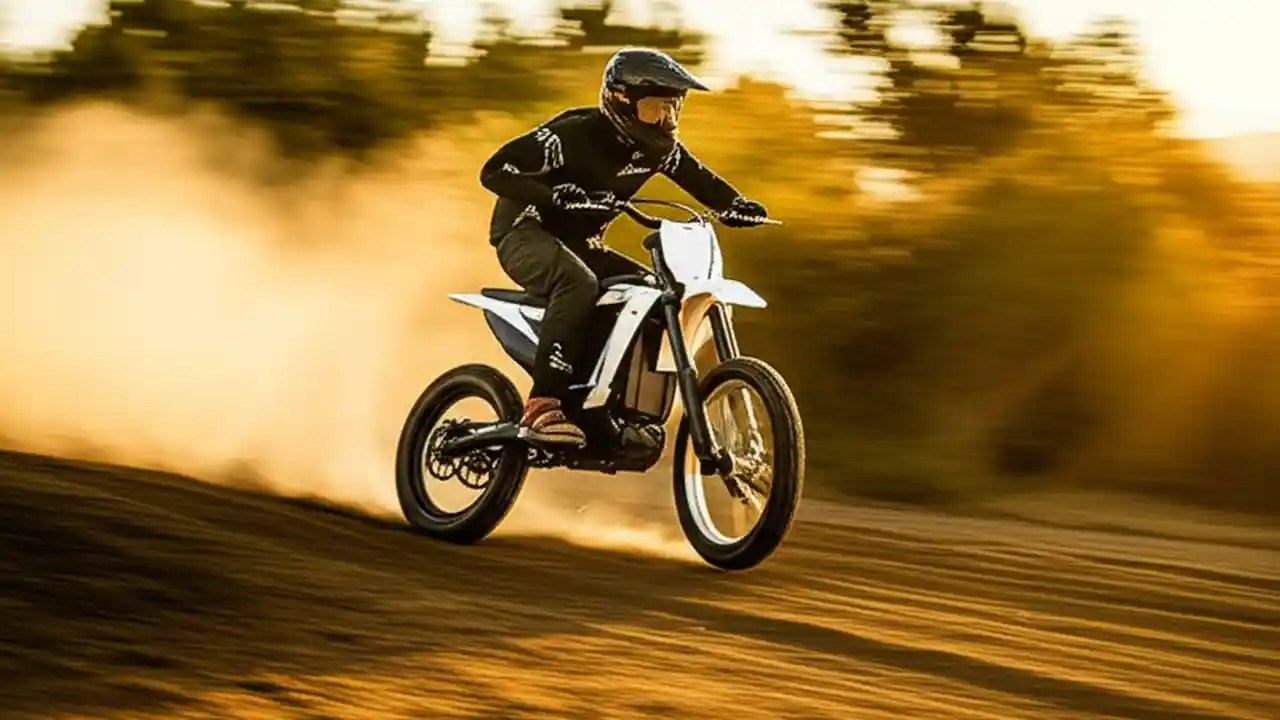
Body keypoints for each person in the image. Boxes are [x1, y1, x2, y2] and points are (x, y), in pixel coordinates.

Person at [479, 47, 770, 446]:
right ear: (620, 101)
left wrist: (735, 205)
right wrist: (554, 195)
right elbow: (495, 171)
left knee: (652, 293)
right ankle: (541, 407)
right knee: (577, 283)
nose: (664, 120)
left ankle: (602, 401)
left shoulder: (656, 149)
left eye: (672, 109)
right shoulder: (571, 135)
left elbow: (699, 179)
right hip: (524, 233)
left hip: (581, 243)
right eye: (654, 109)